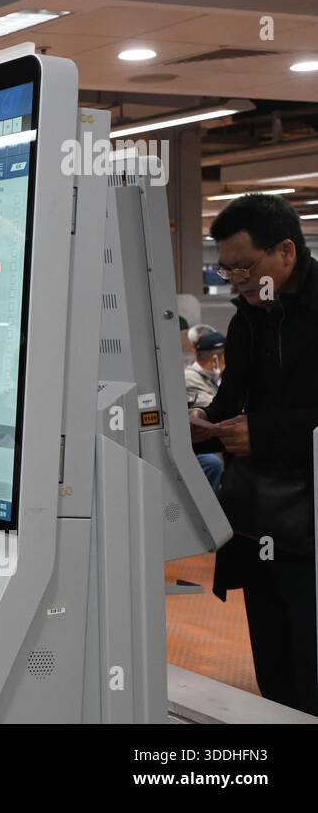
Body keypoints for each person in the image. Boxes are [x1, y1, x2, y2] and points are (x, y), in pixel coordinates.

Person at [191, 193, 318, 715]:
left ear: (286, 251)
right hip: (258, 516)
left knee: (311, 663)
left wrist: (265, 433)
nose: (237, 281)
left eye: (245, 266)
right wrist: (205, 428)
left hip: (309, 524)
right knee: (273, 666)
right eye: (227, 270)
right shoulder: (247, 317)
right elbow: (233, 401)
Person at [185, 330, 226, 492]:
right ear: (216, 360)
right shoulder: (190, 378)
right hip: (194, 445)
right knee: (213, 463)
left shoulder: (209, 379)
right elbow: (217, 411)